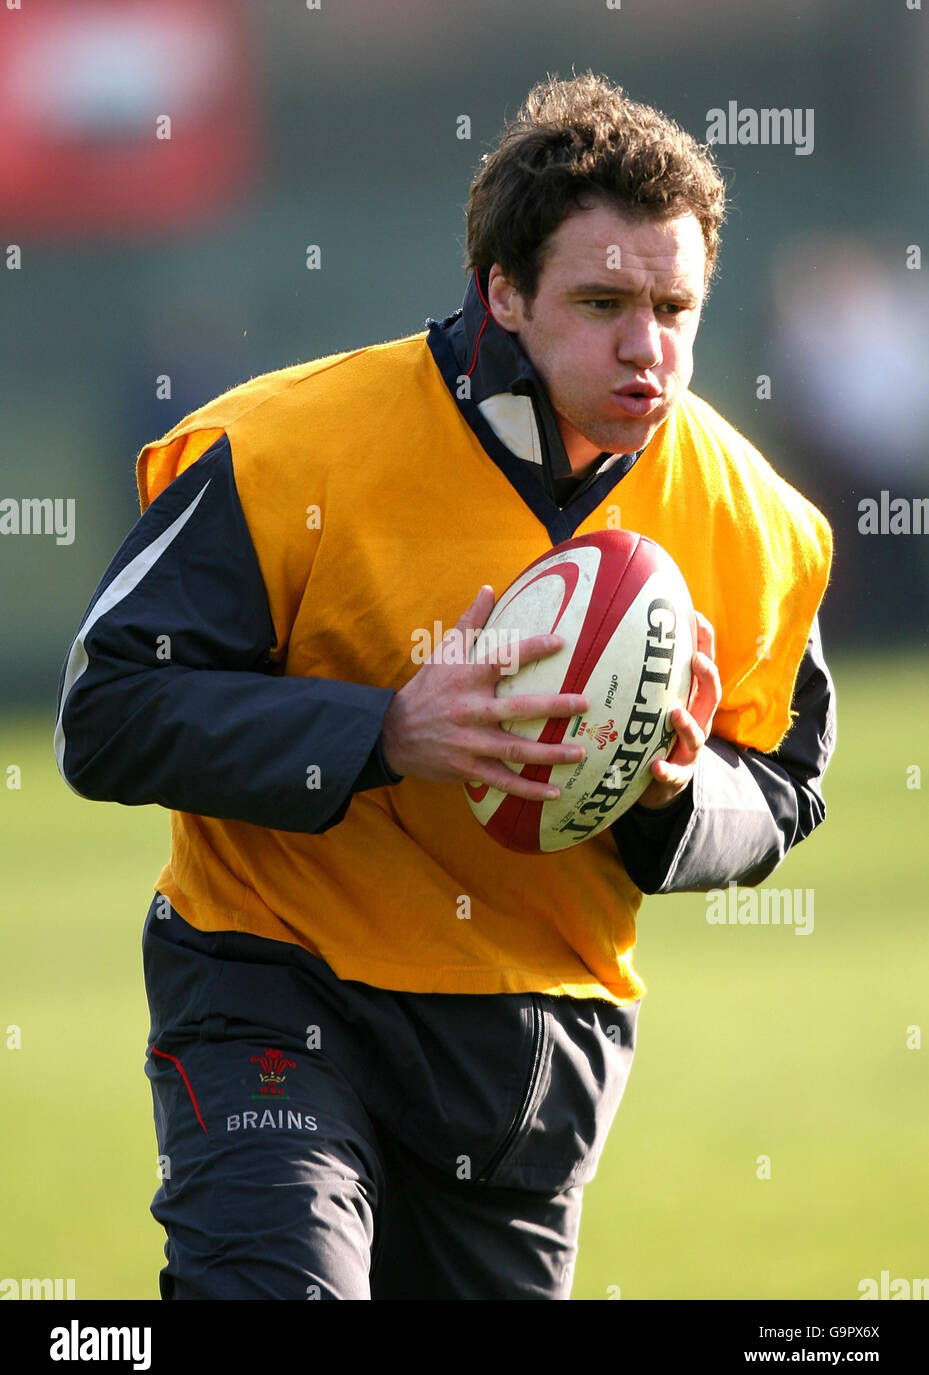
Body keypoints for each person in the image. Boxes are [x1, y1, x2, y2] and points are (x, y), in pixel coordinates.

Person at [54, 71, 834, 1300]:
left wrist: (669, 790)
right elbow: (107, 718)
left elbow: (783, 788)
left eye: (674, 307)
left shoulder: (755, 522)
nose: (648, 347)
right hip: (276, 988)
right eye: (602, 302)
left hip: (529, 1045)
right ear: (503, 292)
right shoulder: (282, 449)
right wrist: (385, 732)